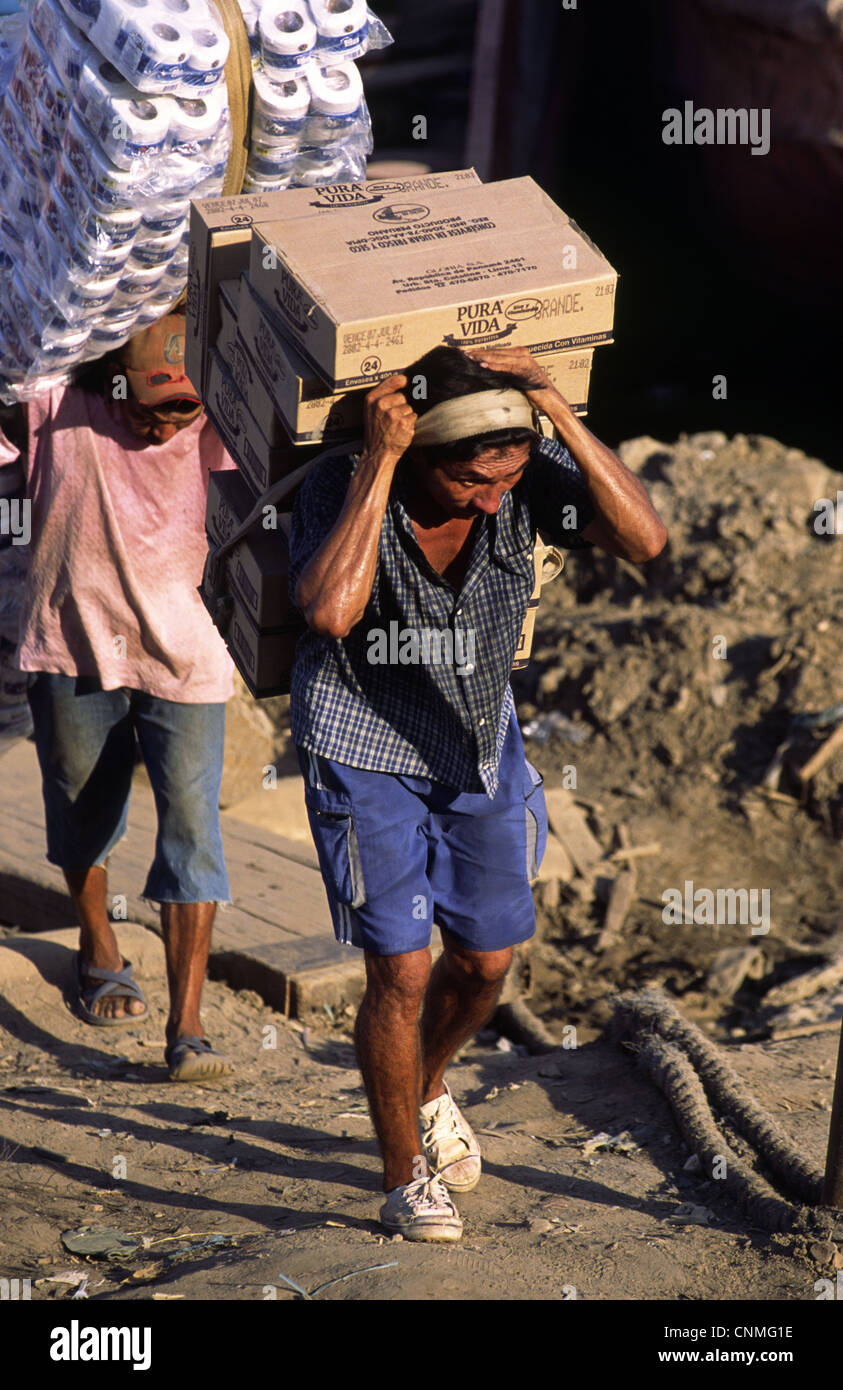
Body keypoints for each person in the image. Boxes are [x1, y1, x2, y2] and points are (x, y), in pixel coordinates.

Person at [288, 344, 668, 1241]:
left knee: (487, 964)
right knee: (401, 971)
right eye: (469, 479)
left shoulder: (525, 480)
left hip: (479, 744)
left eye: (506, 474)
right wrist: (379, 462)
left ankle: (424, 1083)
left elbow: (645, 540)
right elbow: (329, 612)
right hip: (363, 742)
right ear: (421, 452)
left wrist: (557, 411)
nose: (492, 497)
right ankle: (403, 1176)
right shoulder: (342, 483)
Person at [0, 313, 238, 1082]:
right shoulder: (51, 405)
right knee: (80, 804)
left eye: (183, 407)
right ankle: (97, 942)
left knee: (192, 831)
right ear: (111, 381)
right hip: (71, 641)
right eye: (152, 404)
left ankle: (187, 1021)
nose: (168, 421)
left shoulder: (214, 427)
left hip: (190, 656)